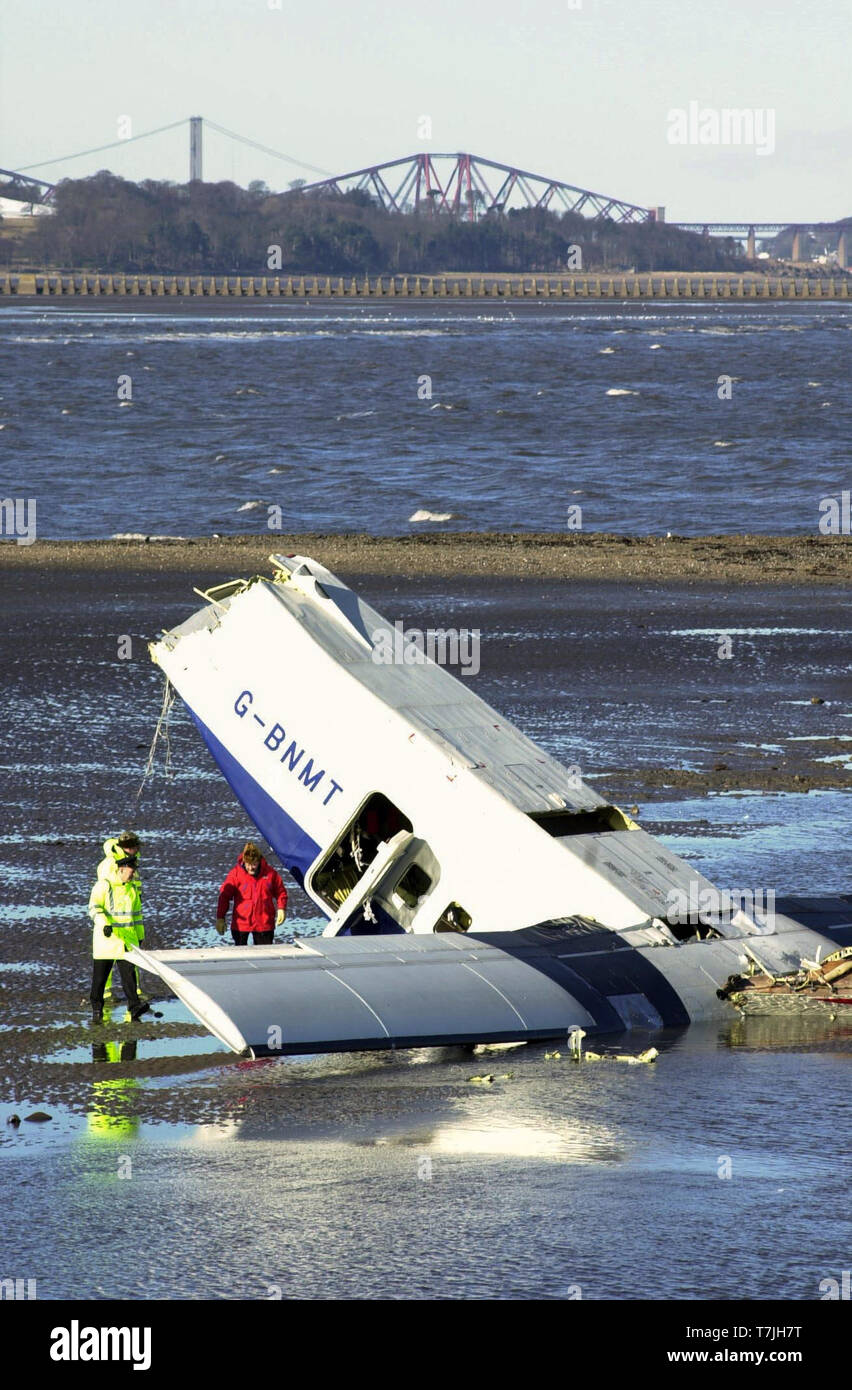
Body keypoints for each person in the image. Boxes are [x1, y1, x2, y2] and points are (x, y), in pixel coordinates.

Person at [88, 852, 149, 1023]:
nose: (134, 874)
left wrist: (140, 937)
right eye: (131, 871)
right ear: (121, 869)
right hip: (106, 941)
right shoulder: (103, 886)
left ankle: (134, 1006)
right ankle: (97, 1008)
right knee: (100, 978)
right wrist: (104, 924)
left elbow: (137, 916)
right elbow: (94, 907)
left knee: (129, 975)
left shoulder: (132, 890)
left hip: (126, 941)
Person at [97, 831, 143, 1001]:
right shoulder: (110, 863)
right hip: (115, 916)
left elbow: (134, 886)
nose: (138, 850)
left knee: (131, 956)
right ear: (129, 848)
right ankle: (106, 993)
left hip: (129, 911)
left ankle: (135, 992)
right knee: (107, 956)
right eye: (136, 847)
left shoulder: (129, 860)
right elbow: (108, 889)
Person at [216, 841, 287, 945]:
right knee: (240, 956)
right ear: (244, 861)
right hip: (241, 925)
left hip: (264, 923)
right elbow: (224, 896)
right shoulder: (235, 874)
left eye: (254, 864)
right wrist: (220, 918)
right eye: (248, 864)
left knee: (265, 957)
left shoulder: (270, 874)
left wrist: (281, 908)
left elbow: (281, 892)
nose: (251, 868)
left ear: (259, 861)